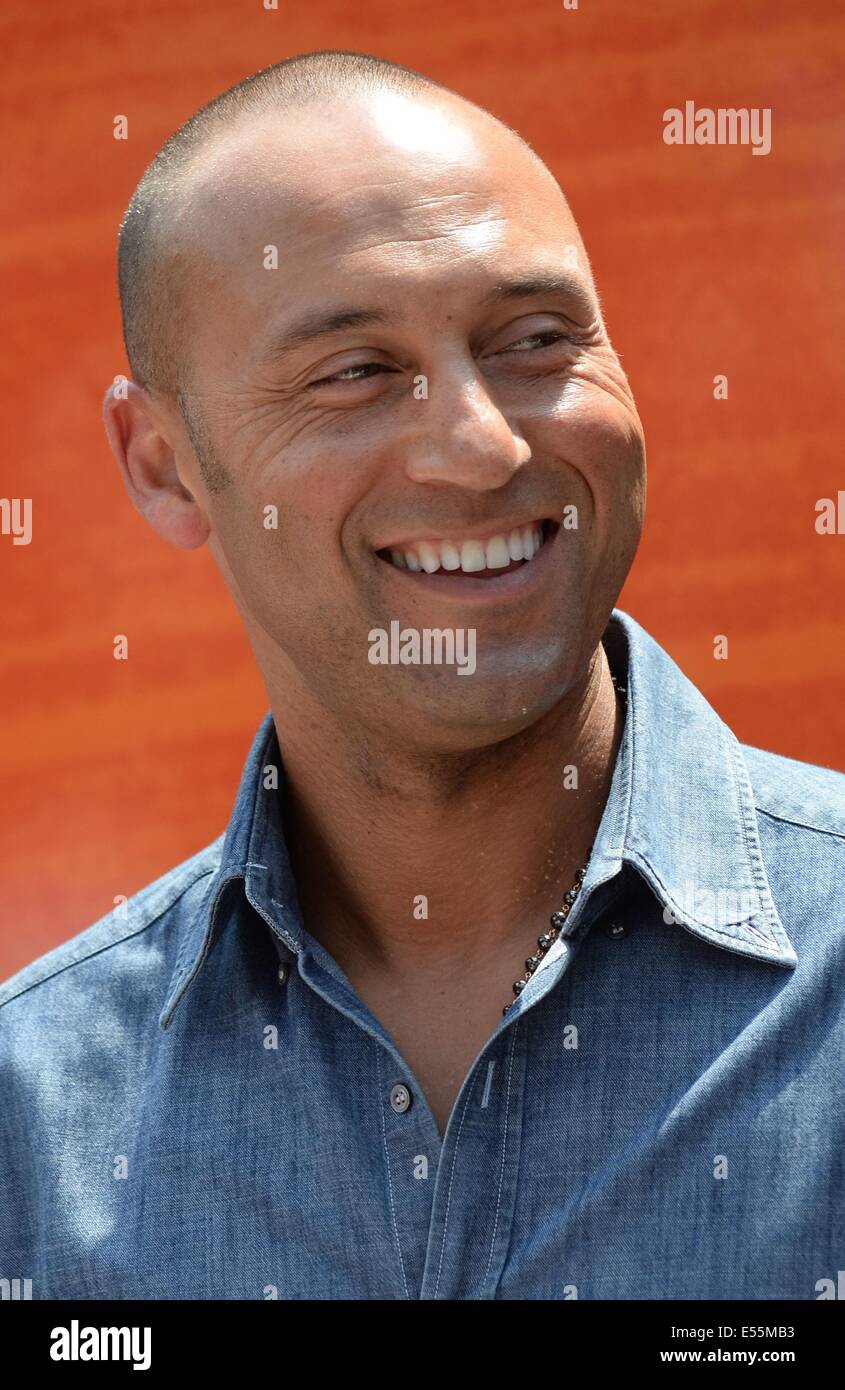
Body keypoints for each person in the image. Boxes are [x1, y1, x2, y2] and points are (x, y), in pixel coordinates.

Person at [1, 50, 843, 1301]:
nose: (483, 445)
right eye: (355, 371)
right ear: (165, 462)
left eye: (535, 338)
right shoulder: (35, 1123)